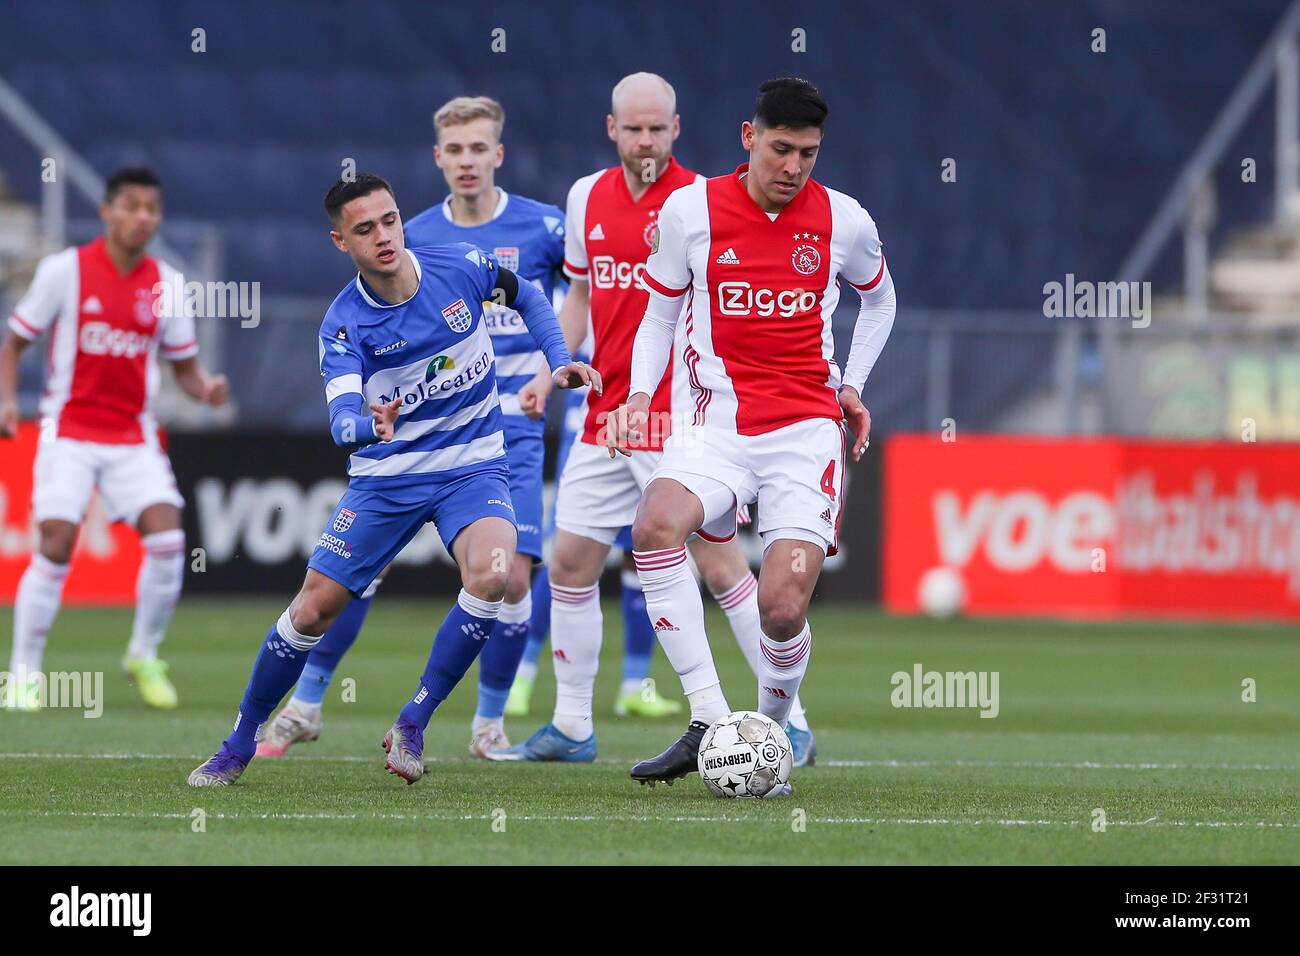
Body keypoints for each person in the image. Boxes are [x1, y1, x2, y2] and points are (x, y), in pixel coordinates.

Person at [187, 173, 596, 786]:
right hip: (389, 477)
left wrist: (558, 358)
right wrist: (366, 426)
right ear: (339, 242)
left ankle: (413, 721)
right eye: (364, 229)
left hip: (472, 463)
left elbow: (530, 296)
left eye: (389, 220)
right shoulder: (344, 324)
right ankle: (240, 739)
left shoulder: (461, 265)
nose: (383, 236)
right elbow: (341, 418)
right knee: (311, 612)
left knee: (495, 574)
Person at [501, 73, 814, 765]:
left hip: (681, 417)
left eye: (657, 129)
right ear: (611, 129)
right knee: (571, 562)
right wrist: (543, 368)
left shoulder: (703, 204)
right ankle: (574, 726)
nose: (645, 140)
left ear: (677, 130)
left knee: (720, 563)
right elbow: (580, 297)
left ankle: (787, 719)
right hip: (606, 412)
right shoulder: (585, 197)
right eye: (633, 129)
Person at [609, 77, 896, 787]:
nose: (794, 167)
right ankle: (708, 718)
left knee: (781, 604)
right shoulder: (691, 211)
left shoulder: (845, 220)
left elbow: (881, 299)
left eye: (808, 153)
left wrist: (852, 384)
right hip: (716, 424)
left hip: (804, 431)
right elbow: (660, 316)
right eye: (781, 149)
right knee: (653, 526)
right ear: (748, 137)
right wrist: (642, 395)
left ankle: (766, 731)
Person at [0, 166, 228, 712]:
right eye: (130, 205)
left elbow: (185, 368)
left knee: (169, 540)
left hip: (134, 434)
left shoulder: (168, 285)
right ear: (107, 211)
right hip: (69, 428)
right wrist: (8, 401)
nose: (142, 216)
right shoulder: (65, 271)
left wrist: (206, 389)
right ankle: (24, 672)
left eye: (151, 208)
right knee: (55, 541)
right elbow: (13, 342)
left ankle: (143, 654)